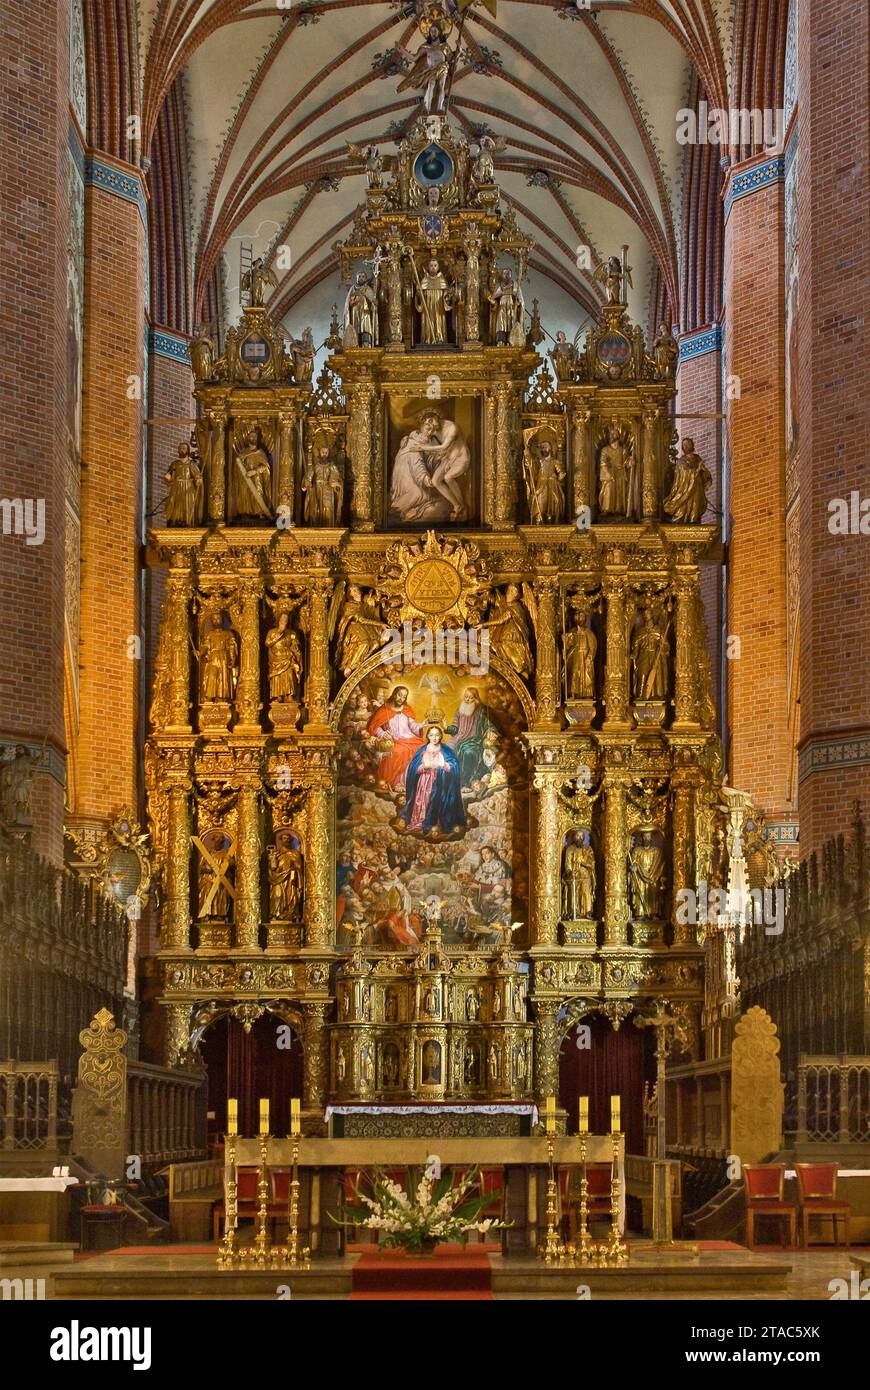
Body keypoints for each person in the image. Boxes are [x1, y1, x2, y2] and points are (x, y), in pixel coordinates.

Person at [398, 726, 466, 836]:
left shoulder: (446, 750)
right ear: (428, 736)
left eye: (437, 735)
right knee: (423, 800)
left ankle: (435, 823)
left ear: (441, 736)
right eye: (431, 735)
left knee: (436, 798)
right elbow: (414, 767)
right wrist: (423, 767)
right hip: (424, 782)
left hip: (440, 783)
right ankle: (420, 821)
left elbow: (454, 765)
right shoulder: (423, 750)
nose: (434, 738)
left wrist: (445, 766)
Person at [365, 686, 426, 791]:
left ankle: (417, 782)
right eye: (399, 695)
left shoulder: (407, 710)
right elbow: (375, 726)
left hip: (410, 739)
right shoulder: (384, 710)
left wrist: (421, 725)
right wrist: (383, 733)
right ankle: (398, 783)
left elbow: (413, 727)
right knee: (398, 752)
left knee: (424, 749)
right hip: (394, 740)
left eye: (404, 697)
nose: (401, 698)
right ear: (394, 694)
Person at [165, 441, 203, 526]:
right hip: (177, 488)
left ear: (188, 451)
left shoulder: (191, 464)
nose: (182, 450)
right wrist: (168, 478)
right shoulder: (174, 464)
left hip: (188, 488)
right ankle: (176, 521)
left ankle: (187, 522)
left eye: (184, 448)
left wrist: (198, 480)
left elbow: (197, 476)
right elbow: (169, 476)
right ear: (178, 451)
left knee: (187, 505)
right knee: (175, 505)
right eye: (180, 449)